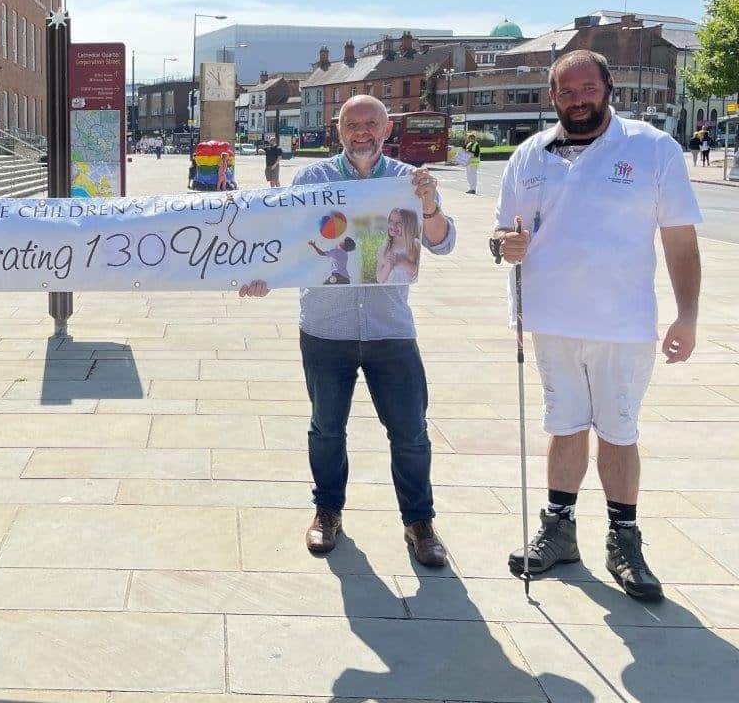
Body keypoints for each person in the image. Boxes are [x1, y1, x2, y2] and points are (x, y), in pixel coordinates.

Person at [493, 50, 701, 602]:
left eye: (588, 87)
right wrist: (503, 246)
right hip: (550, 321)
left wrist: (688, 315)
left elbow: (680, 240)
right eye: (566, 90)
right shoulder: (530, 154)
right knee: (563, 425)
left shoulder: (652, 148)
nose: (577, 98)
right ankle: (559, 529)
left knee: (618, 431)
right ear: (552, 96)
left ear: (609, 88)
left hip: (622, 325)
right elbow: (503, 234)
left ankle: (624, 537)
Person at [238, 95, 456, 567]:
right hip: (325, 327)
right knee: (326, 428)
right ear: (338, 131)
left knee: (411, 432)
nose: (362, 132)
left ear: (386, 128)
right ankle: (327, 511)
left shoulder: (408, 181)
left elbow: (442, 243)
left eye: (370, 124)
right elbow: (287, 239)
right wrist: (262, 274)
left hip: (389, 329)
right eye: (352, 124)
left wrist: (431, 204)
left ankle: (420, 521)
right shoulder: (312, 180)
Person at [376, 208, 421, 284]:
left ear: (409, 225)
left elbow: (417, 273)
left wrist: (401, 261)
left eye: (399, 223)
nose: (393, 225)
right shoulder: (385, 247)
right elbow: (379, 279)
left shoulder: (414, 244)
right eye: (391, 221)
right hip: (390, 291)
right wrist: (389, 264)